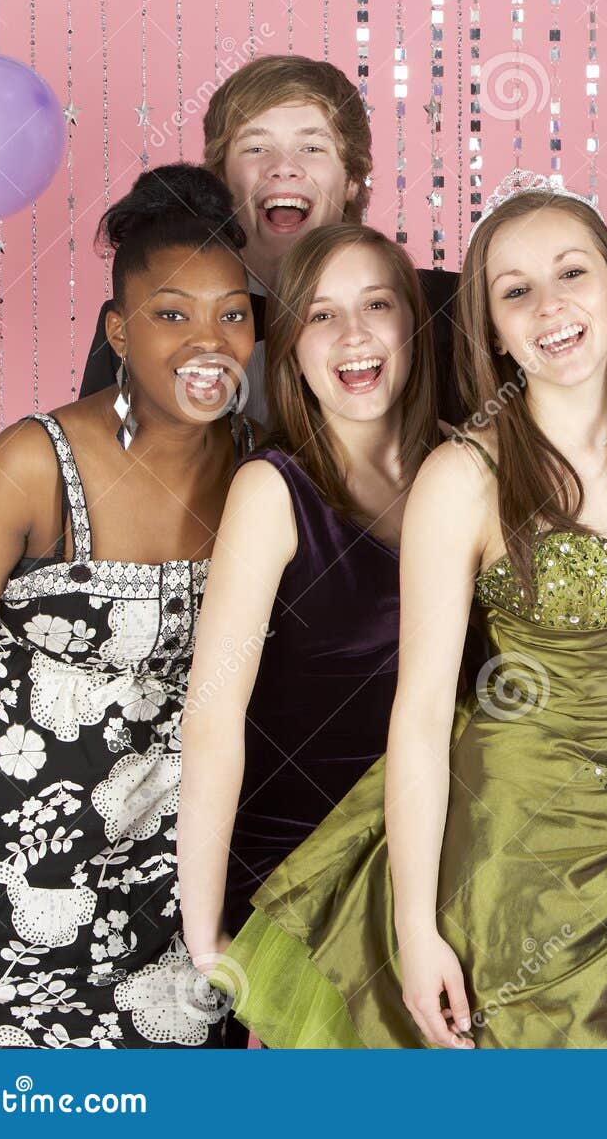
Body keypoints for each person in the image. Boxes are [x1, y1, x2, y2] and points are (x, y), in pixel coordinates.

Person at [215, 172, 607, 1048]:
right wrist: (418, 929)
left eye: (572, 273)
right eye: (516, 291)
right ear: (495, 331)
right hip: (515, 850)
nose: (550, 306)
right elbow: (424, 714)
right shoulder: (463, 477)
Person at [0, 165, 256, 1048]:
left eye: (232, 313)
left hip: (162, 896)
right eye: (171, 314)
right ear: (119, 330)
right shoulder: (35, 462)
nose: (209, 340)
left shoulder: (262, 473)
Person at [0, 54, 466, 609]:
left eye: (313, 147)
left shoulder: (442, 310)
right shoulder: (152, 327)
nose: (284, 167)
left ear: (351, 179)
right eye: (256, 147)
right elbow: (91, 497)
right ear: (223, 181)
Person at [176, 223, 440, 974]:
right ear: (289, 344)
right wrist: (205, 939)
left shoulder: (464, 467)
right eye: (321, 314)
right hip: (306, 873)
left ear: (412, 324)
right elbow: (212, 719)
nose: (352, 334)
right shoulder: (270, 490)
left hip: (445, 861)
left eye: (376, 305)